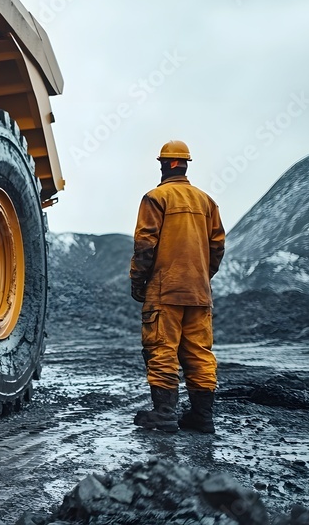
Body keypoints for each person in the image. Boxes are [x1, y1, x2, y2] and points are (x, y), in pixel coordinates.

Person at [129, 140, 226, 433]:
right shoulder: (207, 201)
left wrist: (138, 282)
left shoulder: (155, 198)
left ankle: (165, 413)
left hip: (164, 291)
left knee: (161, 349)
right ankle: (202, 417)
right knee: (200, 353)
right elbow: (217, 246)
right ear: (185, 164)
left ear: (165, 164)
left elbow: (145, 244)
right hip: (198, 293)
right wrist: (201, 277)